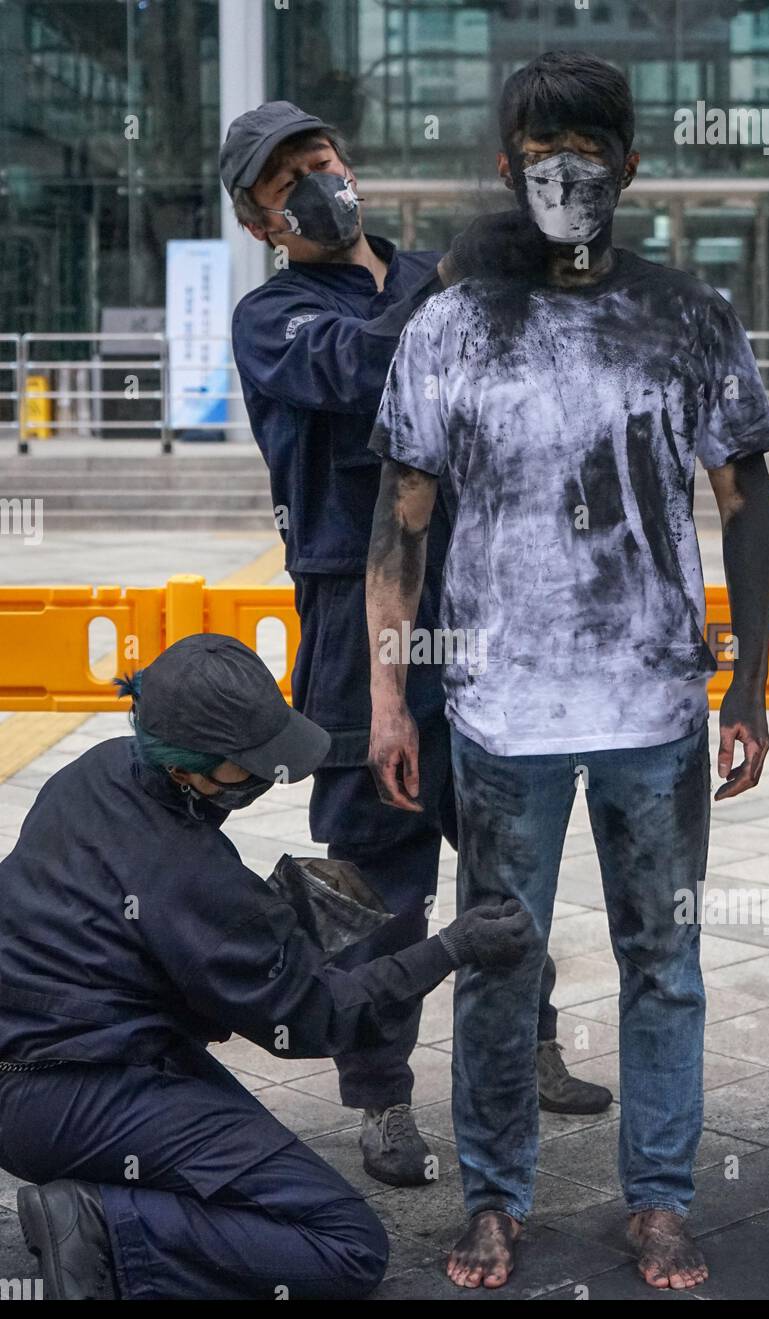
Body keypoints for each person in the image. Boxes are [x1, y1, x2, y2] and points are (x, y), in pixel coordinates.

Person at [365, 49, 769, 1291]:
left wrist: (749, 685)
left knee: (666, 960)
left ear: (629, 164)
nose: (563, 168)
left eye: (586, 144)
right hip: (499, 715)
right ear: (505, 165)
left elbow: (745, 496)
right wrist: (391, 692)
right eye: (539, 146)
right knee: (496, 965)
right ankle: (494, 1200)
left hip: (656, 708)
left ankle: (658, 1199)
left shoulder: (689, 315)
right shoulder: (450, 323)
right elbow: (404, 510)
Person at [222, 100, 612, 1186]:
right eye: (284, 181)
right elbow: (358, 372)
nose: (315, 182)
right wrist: (455, 289)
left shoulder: (430, 272)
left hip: (480, 594)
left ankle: (526, 1045)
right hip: (354, 612)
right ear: (262, 222)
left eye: (321, 159)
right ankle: (379, 1096)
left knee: (506, 839)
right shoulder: (276, 318)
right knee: (374, 865)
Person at [0, 634, 532, 1300]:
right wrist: (450, 948)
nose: (264, 777)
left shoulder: (99, 770)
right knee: (346, 1246)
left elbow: (148, 934)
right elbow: (316, 1017)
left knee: (252, 1179)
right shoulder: (188, 869)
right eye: (245, 767)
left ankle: (101, 1199)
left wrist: (276, 919)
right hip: (78, 1091)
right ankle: (103, 1226)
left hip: (47, 1069)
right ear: (185, 770)